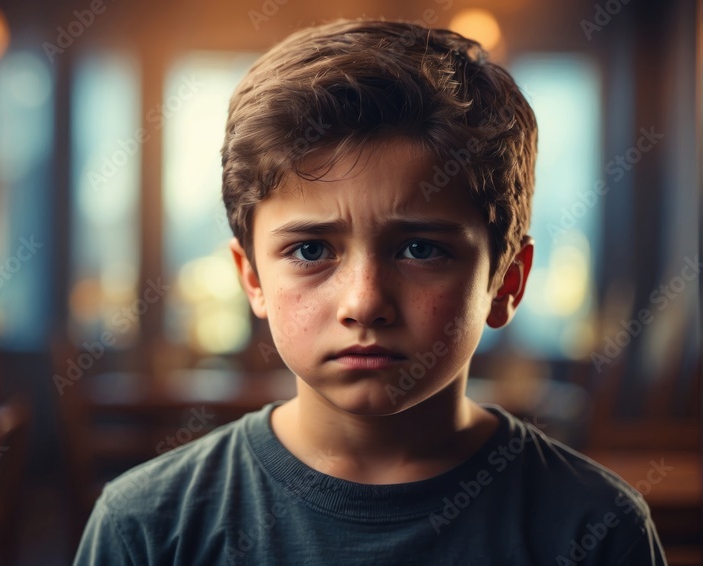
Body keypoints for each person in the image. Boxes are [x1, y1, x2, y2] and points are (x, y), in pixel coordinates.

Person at [74, 19, 667, 565]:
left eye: (420, 249)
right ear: (251, 277)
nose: (363, 303)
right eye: (310, 251)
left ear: (505, 281)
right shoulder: (147, 529)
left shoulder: (596, 530)